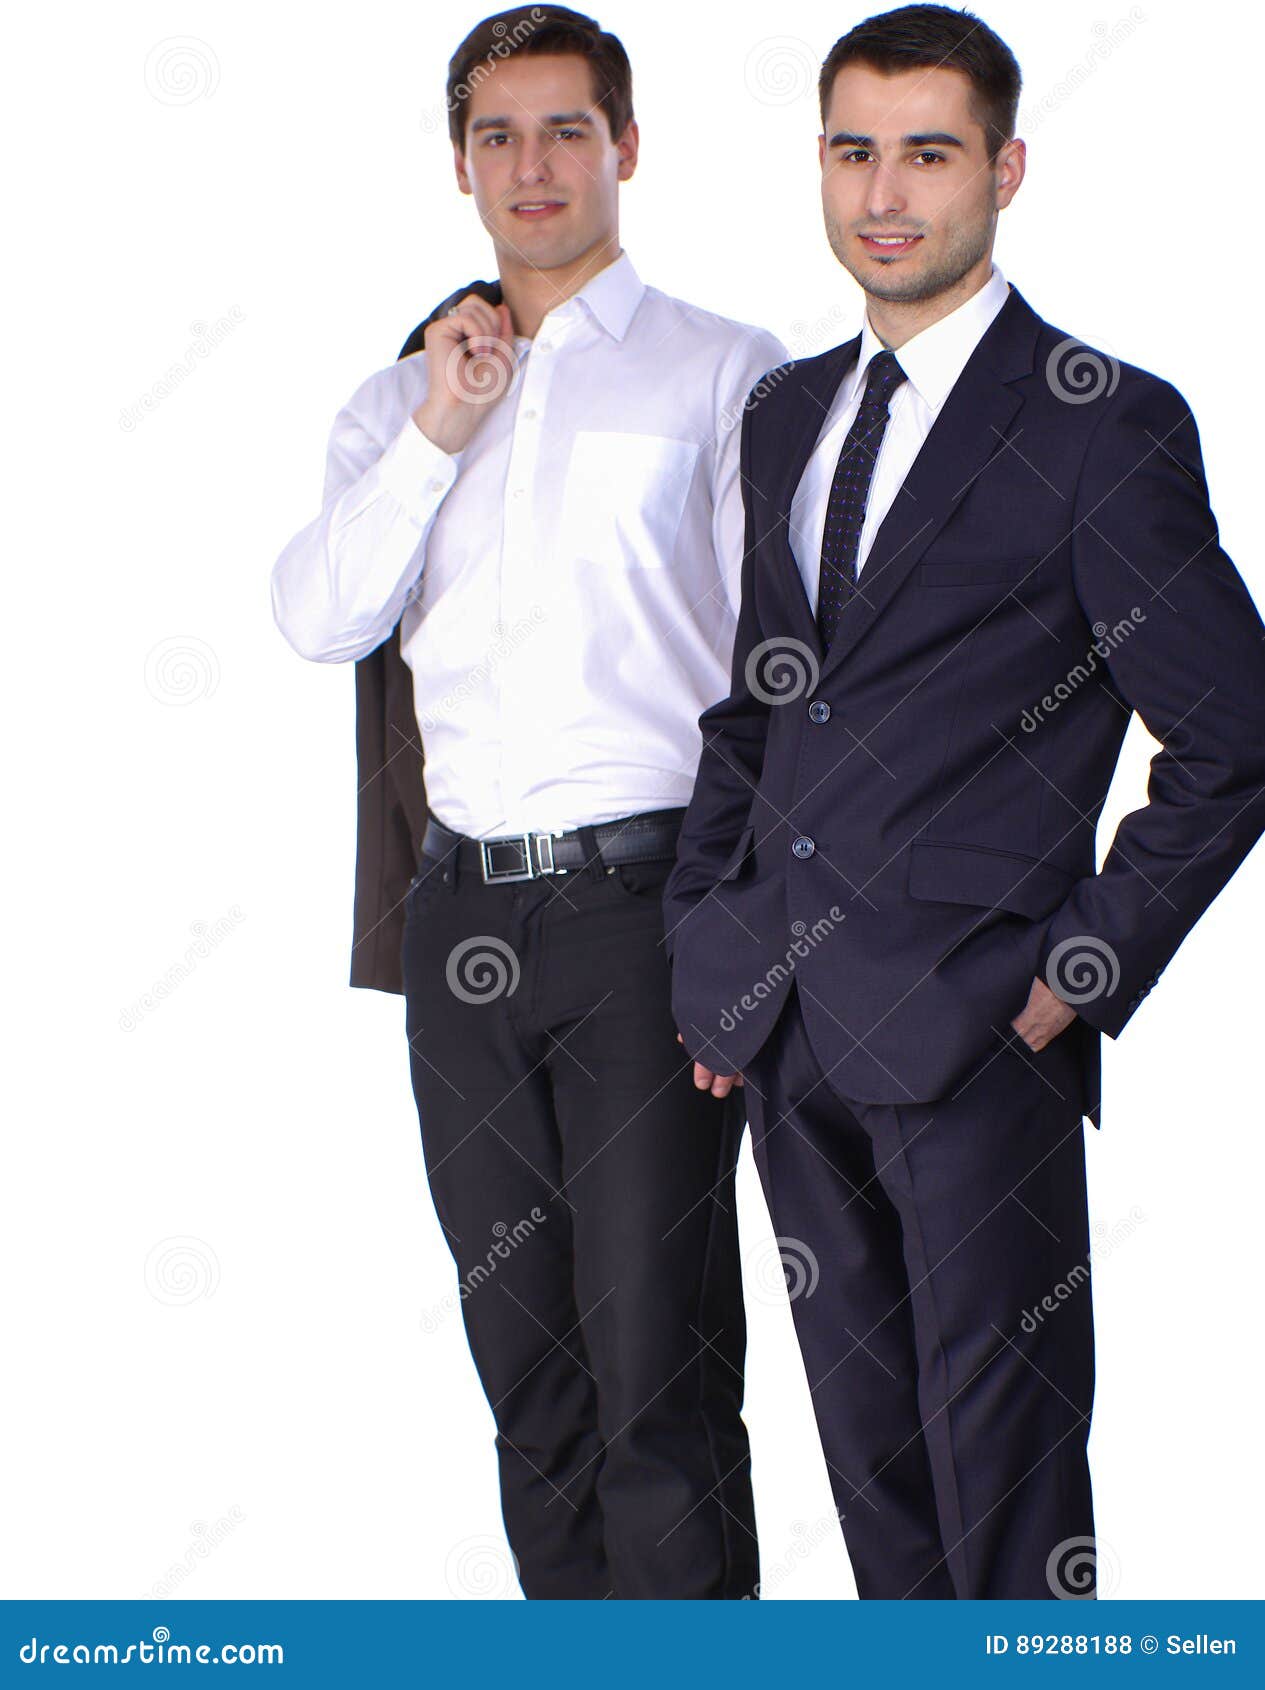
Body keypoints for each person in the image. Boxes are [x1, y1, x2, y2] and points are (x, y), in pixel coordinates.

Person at [664, 2, 1265, 1599]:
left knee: (1003, 1490)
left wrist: (1075, 972)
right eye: (854, 152)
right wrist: (707, 946)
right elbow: (758, 701)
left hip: (979, 1036)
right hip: (788, 1029)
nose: (885, 194)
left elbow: (1233, 733)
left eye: (926, 154)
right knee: (872, 1484)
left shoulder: (1096, 420)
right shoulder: (788, 410)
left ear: (1001, 169)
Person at [271, 5, 786, 1599]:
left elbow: (780, 667)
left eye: (566, 128)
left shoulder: (727, 372)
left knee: (659, 1362)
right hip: (461, 924)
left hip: (645, 916)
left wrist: (749, 936)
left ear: (626, 147)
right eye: (496, 134)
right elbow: (316, 615)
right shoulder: (398, 400)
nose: (532, 164)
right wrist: (442, 426)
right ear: (457, 165)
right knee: (529, 1369)